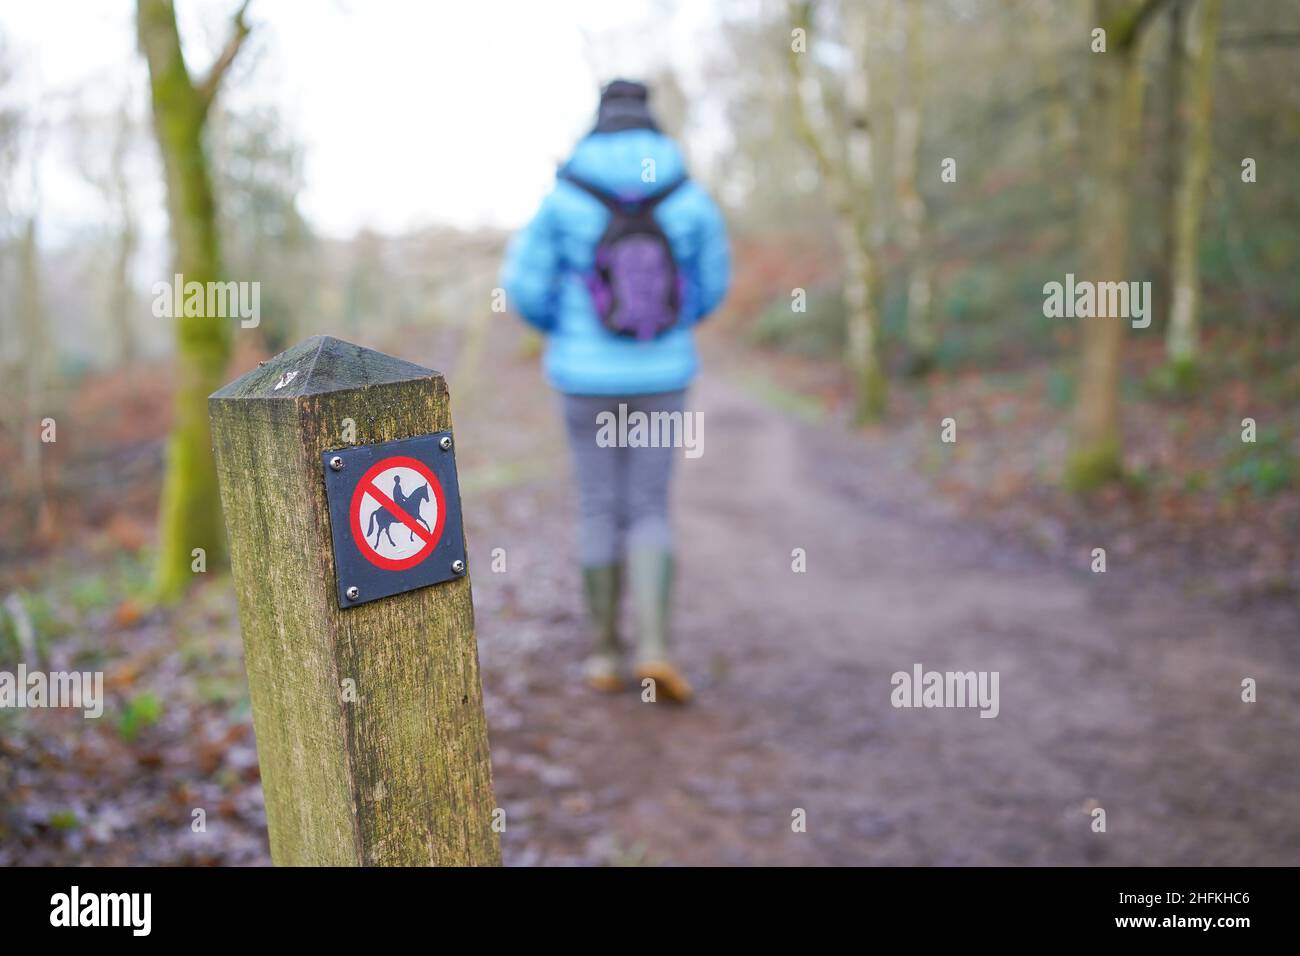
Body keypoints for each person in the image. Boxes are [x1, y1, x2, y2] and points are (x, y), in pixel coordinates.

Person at [500, 79, 730, 702]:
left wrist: (563, 328)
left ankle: (604, 654)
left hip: (582, 379)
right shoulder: (688, 194)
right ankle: (655, 648)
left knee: (600, 506)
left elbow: (522, 285)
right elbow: (712, 286)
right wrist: (673, 323)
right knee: (650, 507)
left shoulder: (564, 195)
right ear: (652, 123)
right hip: (662, 374)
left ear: (598, 121)